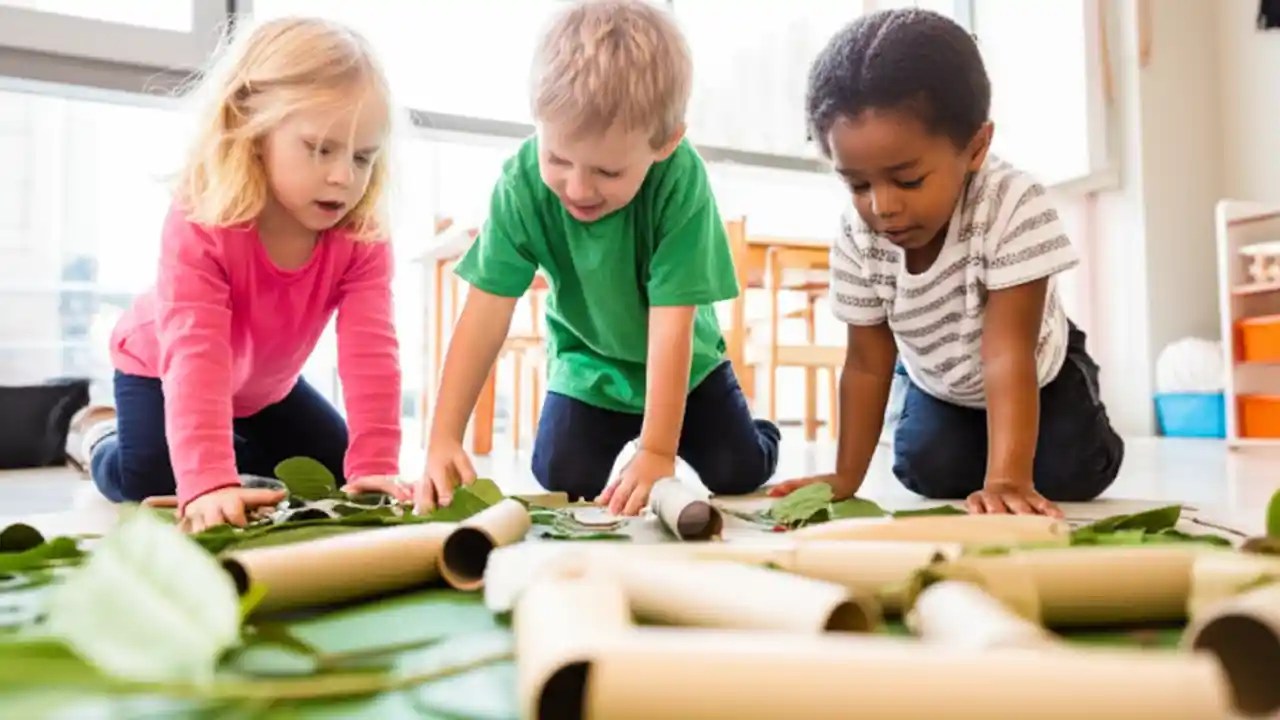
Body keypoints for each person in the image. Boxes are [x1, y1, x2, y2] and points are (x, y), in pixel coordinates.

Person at [416, 0, 780, 517]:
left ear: (666, 143)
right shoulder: (521, 184)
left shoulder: (680, 180)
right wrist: (443, 438)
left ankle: (757, 433)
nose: (578, 187)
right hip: (589, 365)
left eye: (608, 172)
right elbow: (486, 311)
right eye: (558, 159)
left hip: (688, 368)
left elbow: (672, 323)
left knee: (735, 471)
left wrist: (657, 450)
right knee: (562, 476)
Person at [772, 9, 1124, 516]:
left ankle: (1059, 441)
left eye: (909, 180)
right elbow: (868, 364)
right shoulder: (857, 236)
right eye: (858, 184)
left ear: (976, 147)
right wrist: (845, 476)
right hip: (939, 379)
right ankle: (985, 447)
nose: (883, 206)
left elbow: (1007, 354)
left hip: (1037, 371)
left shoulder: (1012, 204)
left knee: (1067, 471)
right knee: (929, 470)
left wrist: (1006, 478)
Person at [67, 17, 408, 531]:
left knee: (338, 472)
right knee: (157, 482)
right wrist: (207, 479)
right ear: (253, 131)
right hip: (160, 369)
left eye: (363, 157)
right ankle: (96, 435)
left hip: (264, 388)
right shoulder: (203, 221)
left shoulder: (360, 235)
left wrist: (377, 464)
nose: (344, 176)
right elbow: (195, 353)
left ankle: (224, 443)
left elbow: (371, 353)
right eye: (319, 149)